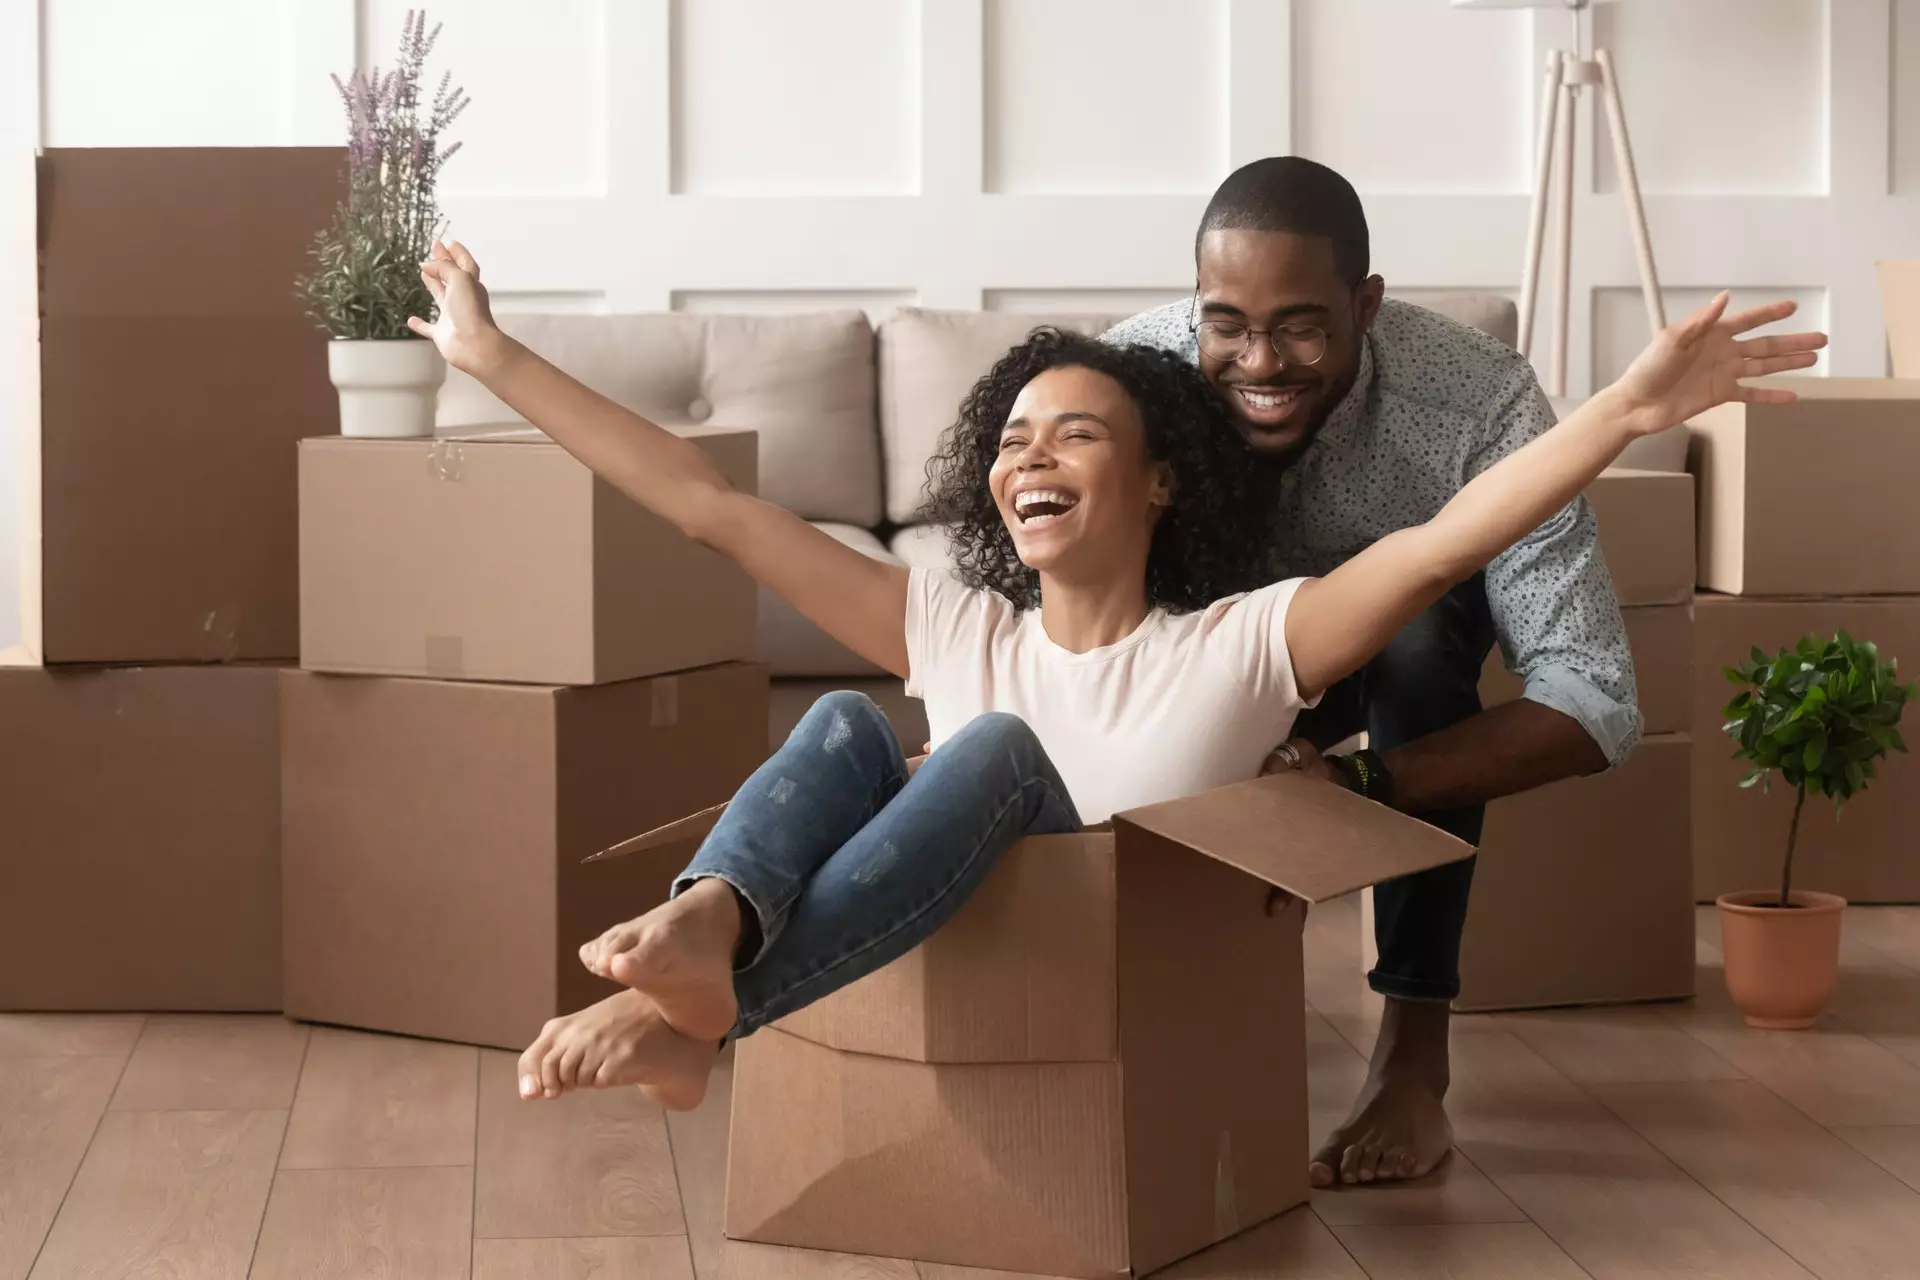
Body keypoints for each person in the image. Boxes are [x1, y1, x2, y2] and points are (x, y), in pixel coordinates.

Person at [406, 239, 1821, 1130]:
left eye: (1072, 435)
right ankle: (709, 931)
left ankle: (691, 1017)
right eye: (1013, 438)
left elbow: (1454, 536)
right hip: (960, 952)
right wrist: (493, 356)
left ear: (1156, 481)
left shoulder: (1242, 644)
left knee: (992, 754)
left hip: (1116, 981)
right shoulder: (958, 625)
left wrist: (1628, 410)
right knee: (850, 720)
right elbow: (707, 505)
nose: (1029, 457)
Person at [1101, 157, 1658, 1186]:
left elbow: (1594, 700)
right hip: (1202, 648)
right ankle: (1158, 1022)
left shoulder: (1481, 401)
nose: (1259, 361)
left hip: (1391, 661)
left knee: (1414, 656)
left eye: (1303, 326)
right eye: (1227, 323)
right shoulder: (1135, 376)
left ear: (1367, 303)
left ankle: (1414, 1051)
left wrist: (1353, 787)